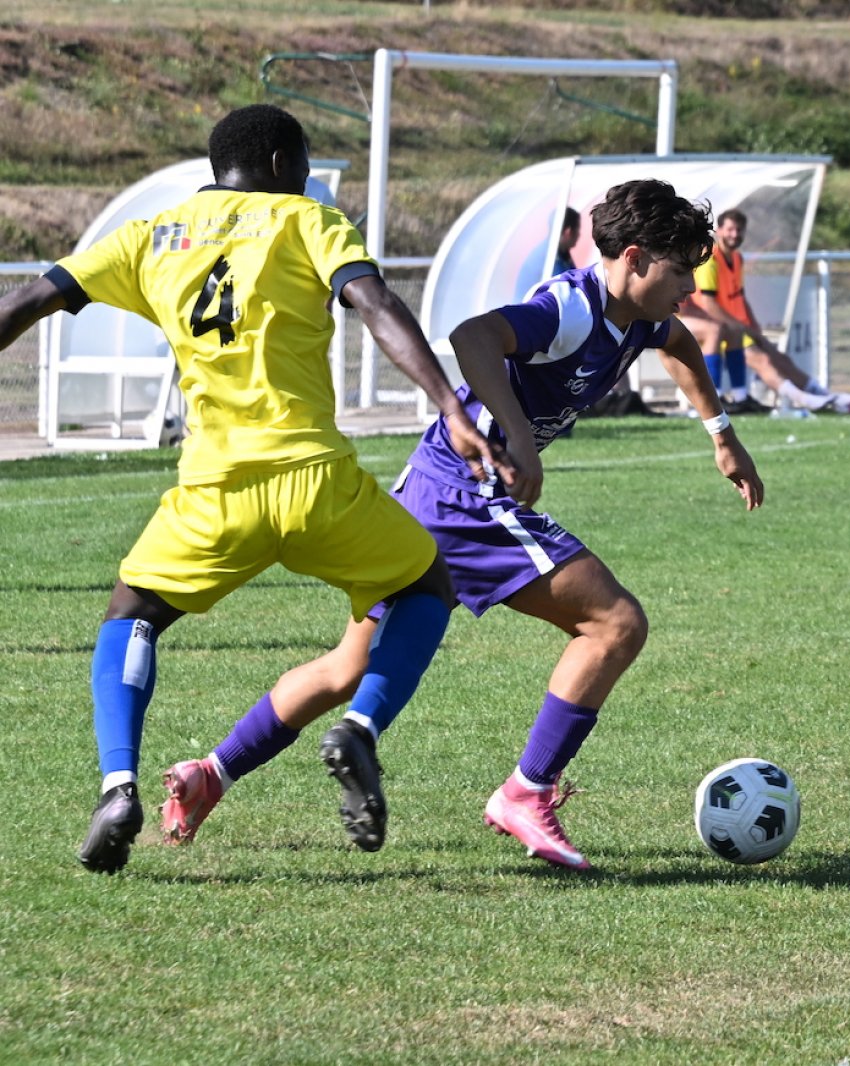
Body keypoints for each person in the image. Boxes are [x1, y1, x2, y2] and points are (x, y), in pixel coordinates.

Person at [159, 178, 764, 870]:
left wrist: (721, 433)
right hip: (468, 497)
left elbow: (681, 342)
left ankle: (211, 773)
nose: (691, 284)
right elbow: (473, 337)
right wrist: (517, 433)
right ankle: (525, 792)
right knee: (615, 623)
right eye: (681, 268)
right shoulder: (568, 308)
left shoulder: (644, 312)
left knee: (348, 667)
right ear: (632, 257)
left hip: (425, 491)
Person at [0, 104, 506, 874]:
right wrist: (447, 404)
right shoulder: (307, 221)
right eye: (303, 164)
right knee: (425, 585)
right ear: (279, 164)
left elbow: (30, 302)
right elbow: (376, 305)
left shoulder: (149, 236)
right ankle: (362, 728)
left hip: (213, 493)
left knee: (131, 613)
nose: (306, 179)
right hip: (314, 484)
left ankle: (119, 782)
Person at [676, 208, 850, 415]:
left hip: (738, 327)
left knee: (780, 358)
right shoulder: (710, 259)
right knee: (764, 361)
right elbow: (709, 304)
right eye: (730, 229)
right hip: (723, 327)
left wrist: (753, 326)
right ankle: (804, 399)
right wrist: (741, 327)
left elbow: (740, 297)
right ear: (719, 230)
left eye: (739, 229)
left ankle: (826, 395)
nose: (735, 234)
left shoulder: (737, 258)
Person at [552, 206, 581, 275]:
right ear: (568, 232)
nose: (579, 234)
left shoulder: (563, 253)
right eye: (577, 230)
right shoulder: (550, 260)